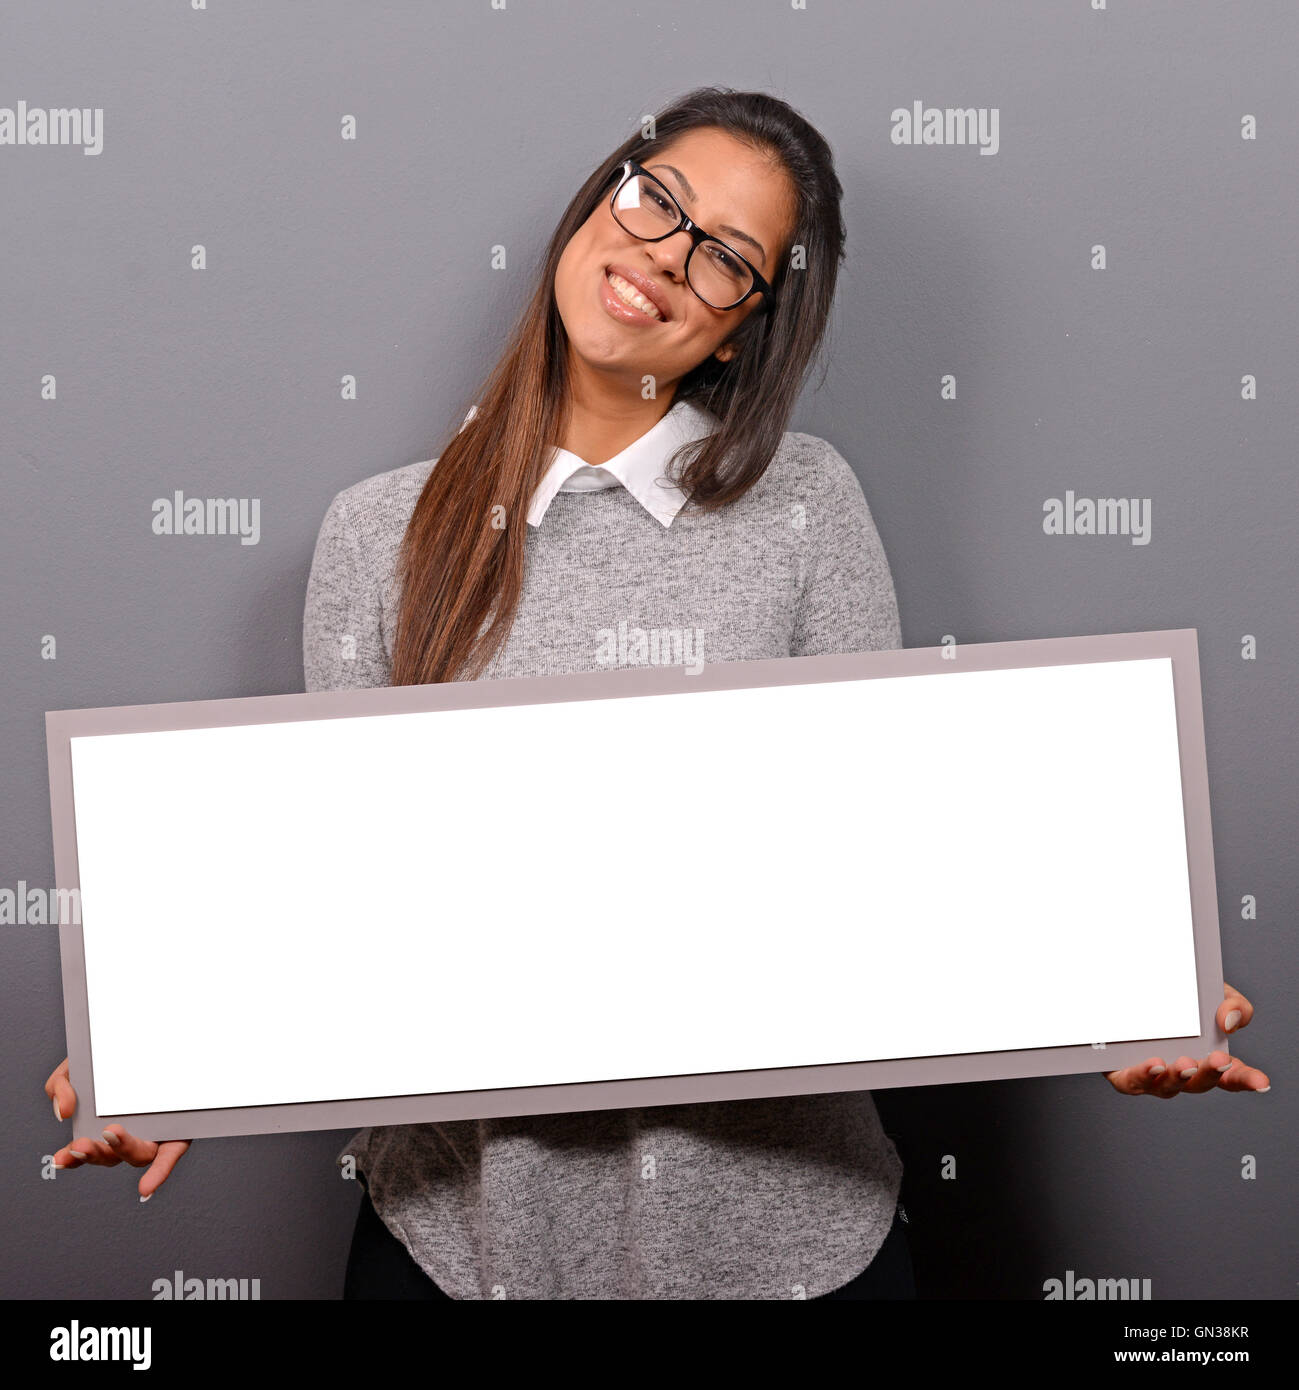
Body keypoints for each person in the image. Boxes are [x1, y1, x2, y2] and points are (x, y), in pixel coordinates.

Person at [45, 87, 1270, 1301]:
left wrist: (1118, 987)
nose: (664, 259)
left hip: (785, 1246)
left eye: (725, 258)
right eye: (656, 202)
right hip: (466, 1247)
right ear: (601, 199)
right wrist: (168, 1058)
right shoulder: (381, 533)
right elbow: (337, 888)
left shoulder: (806, 506)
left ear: (742, 326)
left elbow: (890, 851)